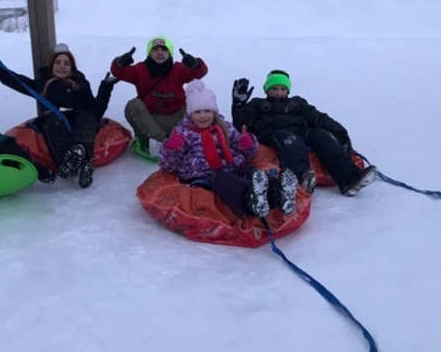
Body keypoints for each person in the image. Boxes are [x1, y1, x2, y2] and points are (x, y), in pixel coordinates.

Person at [0, 39, 117, 189]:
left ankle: (78, 153)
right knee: (53, 123)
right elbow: (9, 78)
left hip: (79, 117)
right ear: (51, 66)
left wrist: (106, 87)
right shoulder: (41, 85)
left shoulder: (81, 85)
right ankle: (75, 165)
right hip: (53, 118)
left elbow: (96, 111)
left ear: (72, 68)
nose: (61, 66)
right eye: (58, 62)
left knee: (87, 119)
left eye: (66, 63)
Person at [158, 80, 298, 218]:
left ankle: (278, 193)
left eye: (207, 111)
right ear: (190, 114)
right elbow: (169, 166)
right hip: (205, 176)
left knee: (252, 172)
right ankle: (250, 199)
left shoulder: (224, 128)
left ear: (214, 112)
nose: (203, 116)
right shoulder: (183, 134)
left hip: (234, 167)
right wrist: (170, 149)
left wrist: (247, 144)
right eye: (197, 112)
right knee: (225, 180)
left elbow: (249, 155)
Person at [231, 70, 377, 197]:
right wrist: (239, 105)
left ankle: (350, 178)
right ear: (266, 89)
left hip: (300, 131)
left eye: (283, 88)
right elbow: (242, 124)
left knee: (321, 136)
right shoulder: (257, 104)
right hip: (272, 133)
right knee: (291, 140)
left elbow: (319, 119)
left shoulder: (297, 103)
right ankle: (302, 178)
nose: (279, 92)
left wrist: (340, 134)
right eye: (274, 88)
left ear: (288, 90)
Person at [110, 35, 208, 157]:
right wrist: (119, 63)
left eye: (164, 49)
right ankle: (162, 144)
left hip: (177, 122)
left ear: (169, 53)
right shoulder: (141, 70)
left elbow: (200, 72)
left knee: (197, 97)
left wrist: (196, 64)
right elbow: (119, 72)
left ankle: (205, 134)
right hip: (150, 125)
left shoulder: (178, 69)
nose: (160, 53)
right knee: (133, 105)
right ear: (149, 53)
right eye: (155, 49)